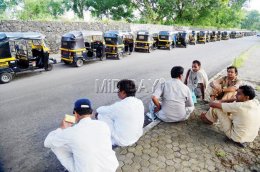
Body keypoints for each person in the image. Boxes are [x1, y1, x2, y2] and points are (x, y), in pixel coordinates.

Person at [44, 98, 119, 172]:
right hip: (110, 167)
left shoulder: (71, 132)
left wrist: (62, 128)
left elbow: (47, 143)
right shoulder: (103, 125)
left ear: (76, 114)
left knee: (56, 146)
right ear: (91, 113)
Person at [96, 79, 144, 147]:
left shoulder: (119, 106)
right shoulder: (139, 102)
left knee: (100, 115)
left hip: (123, 141)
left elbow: (99, 110)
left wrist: (98, 114)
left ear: (123, 92)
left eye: (119, 90)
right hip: (137, 136)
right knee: (114, 115)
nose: (117, 92)